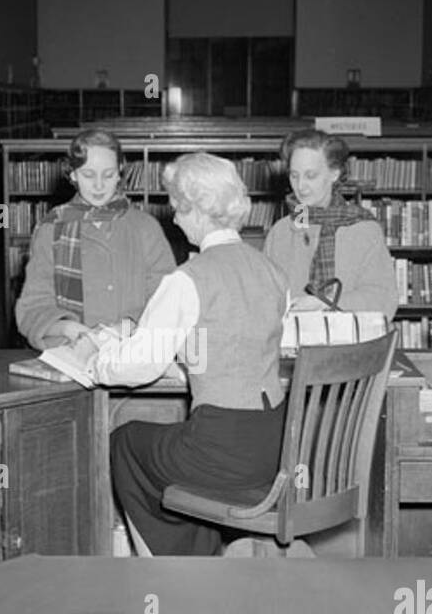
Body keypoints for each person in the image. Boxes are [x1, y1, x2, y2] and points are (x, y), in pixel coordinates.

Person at [92, 153, 289, 557]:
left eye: (177, 208)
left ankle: (166, 566)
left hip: (220, 452)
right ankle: (199, 558)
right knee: (168, 451)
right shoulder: (270, 270)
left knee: (126, 442)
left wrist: (98, 360)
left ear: (194, 210)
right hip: (275, 447)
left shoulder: (187, 279)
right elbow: (237, 337)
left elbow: (138, 366)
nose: (175, 220)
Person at [15, 128, 175, 350]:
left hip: (135, 350)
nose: (99, 185)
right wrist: (66, 328)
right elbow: (34, 305)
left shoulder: (146, 228)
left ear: (120, 172)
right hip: (72, 350)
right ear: (72, 174)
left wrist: (127, 328)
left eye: (108, 175)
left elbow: (166, 300)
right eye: (88, 175)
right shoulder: (51, 229)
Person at [264, 129, 398, 319]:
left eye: (311, 176)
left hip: (350, 344)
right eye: (294, 175)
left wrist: (325, 303)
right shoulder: (280, 232)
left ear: (334, 174)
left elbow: (383, 299)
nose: (300, 186)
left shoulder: (363, 229)